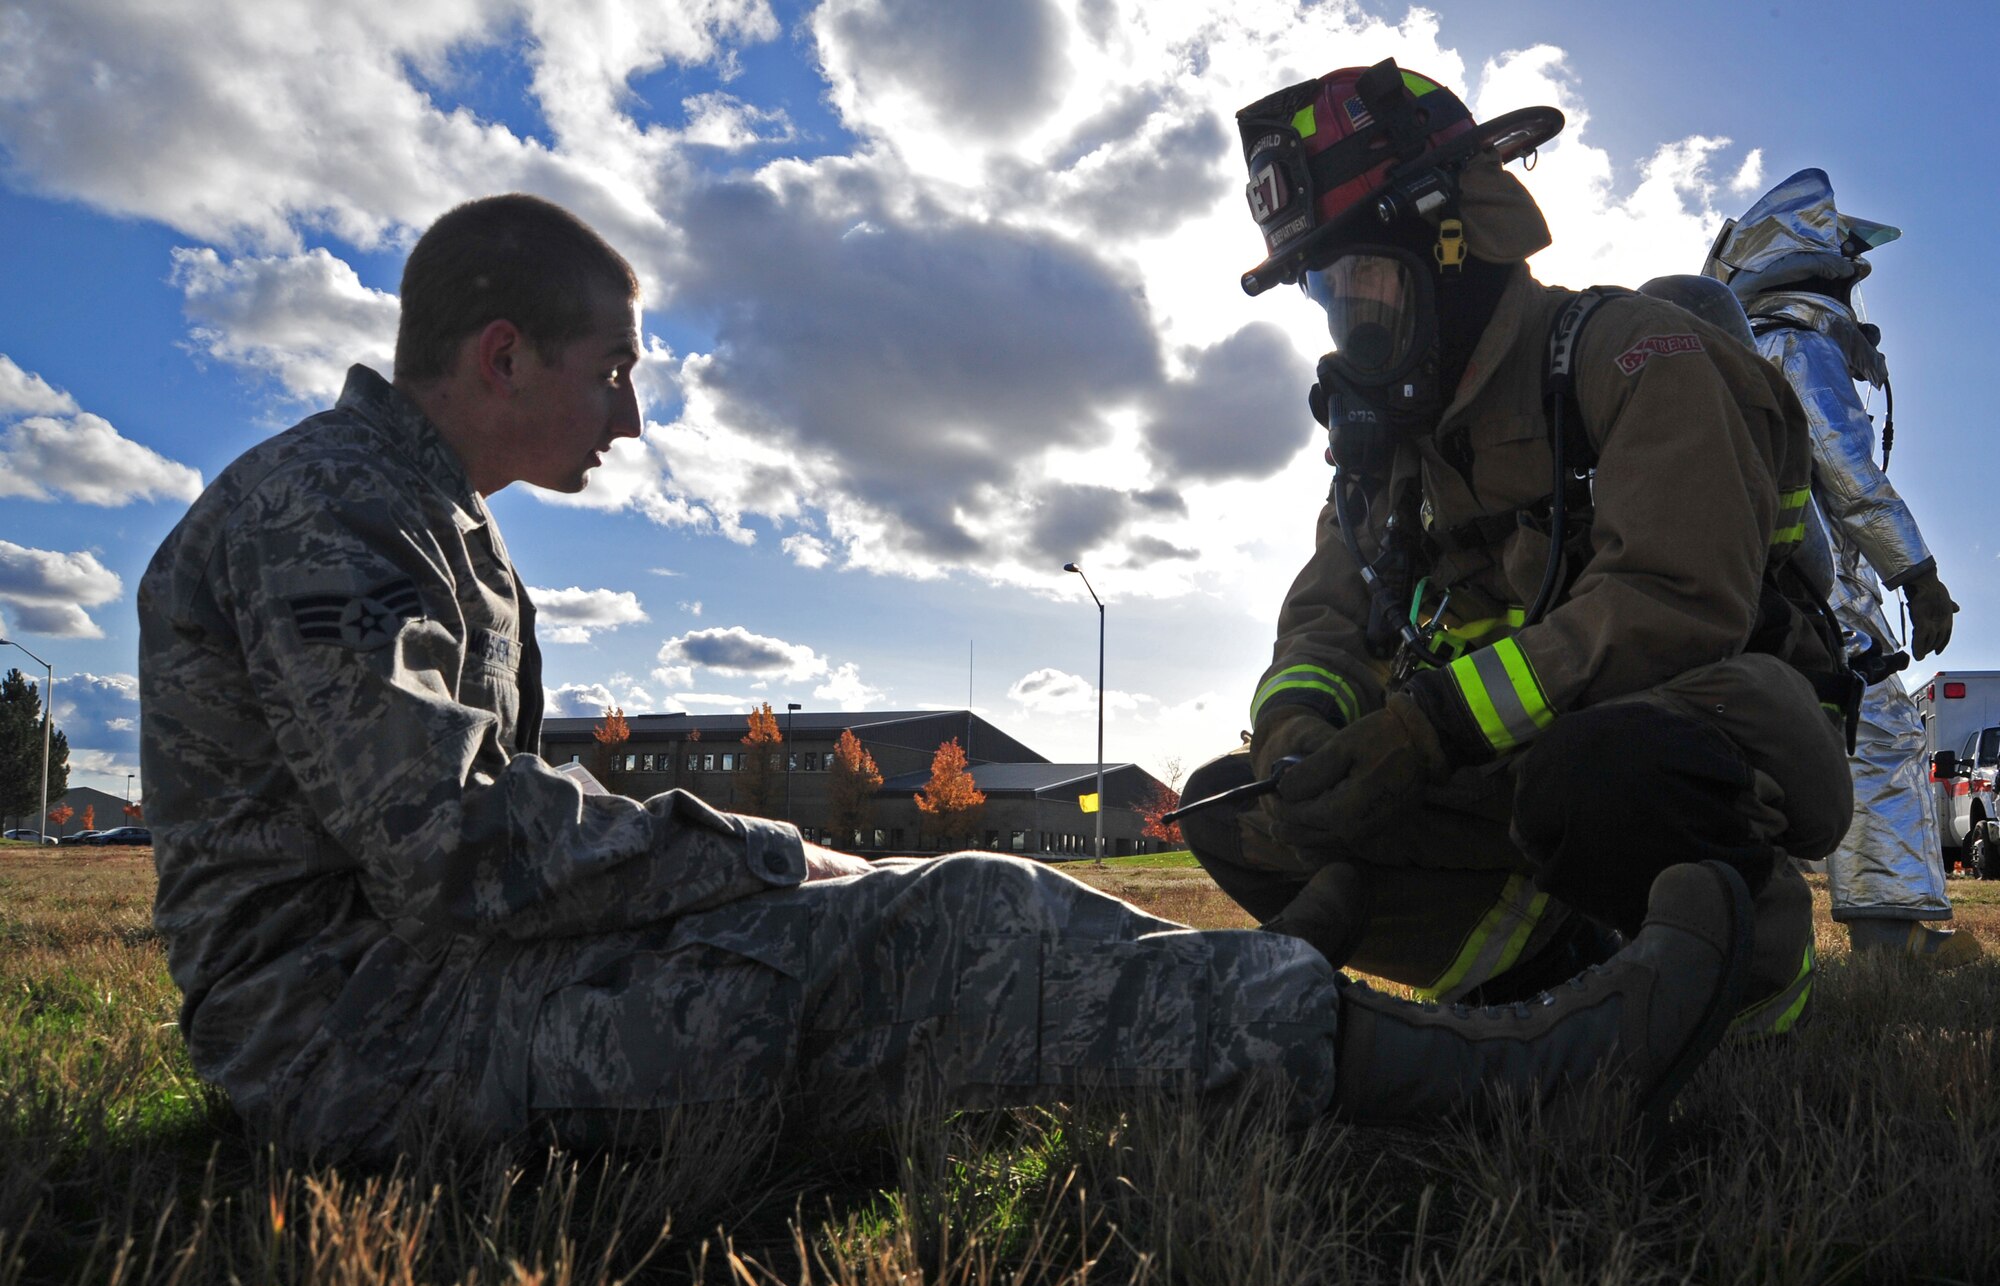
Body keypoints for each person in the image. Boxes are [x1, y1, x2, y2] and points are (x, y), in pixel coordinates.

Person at [138, 192, 1758, 1163]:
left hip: (408, 996)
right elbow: (455, 845)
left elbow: (466, 855)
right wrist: (767, 860)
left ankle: (1325, 1022)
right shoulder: (327, 510)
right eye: (611, 370)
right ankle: (1526, 1083)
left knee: (952, 920)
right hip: (357, 1046)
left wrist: (747, 881)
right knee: (943, 945)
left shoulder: (412, 514)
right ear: (502, 355)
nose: (629, 414)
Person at [1180, 60, 1856, 1042]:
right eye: (1324, 294)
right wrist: (1297, 741)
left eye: (1362, 280)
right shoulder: (1389, 448)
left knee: (1599, 770)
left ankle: (1743, 986)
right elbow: (1325, 617)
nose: (1343, 323)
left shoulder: (1640, 356)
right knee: (1231, 807)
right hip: (1504, 760)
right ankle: (1540, 986)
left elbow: (1670, 603)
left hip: (1701, 729)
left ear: (1453, 244)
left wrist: (1427, 727)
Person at [1704, 169, 1978, 966]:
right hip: (1819, 585)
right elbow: (1848, 470)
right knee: (1884, 735)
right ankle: (1891, 944)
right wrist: (1917, 573)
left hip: (1758, 582)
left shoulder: (1749, 344)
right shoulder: (1800, 342)